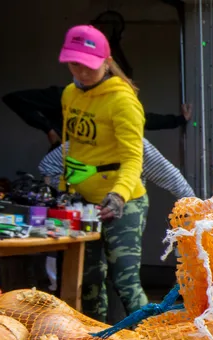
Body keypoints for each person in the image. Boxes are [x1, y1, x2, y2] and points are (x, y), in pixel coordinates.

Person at [57, 24, 149, 322]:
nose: (81, 73)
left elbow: (133, 158)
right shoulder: (70, 94)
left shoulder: (122, 101)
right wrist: (63, 187)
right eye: (74, 64)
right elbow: (71, 147)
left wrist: (118, 196)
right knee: (88, 282)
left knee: (125, 282)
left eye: (88, 66)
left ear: (106, 63)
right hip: (82, 202)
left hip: (124, 202)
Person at [3, 86, 191, 149]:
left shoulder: (115, 101)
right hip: (68, 162)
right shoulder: (66, 95)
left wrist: (179, 120)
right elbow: (14, 99)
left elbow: (144, 119)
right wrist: (48, 129)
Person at [38, 138, 194, 200]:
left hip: (127, 204)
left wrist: (194, 207)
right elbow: (47, 167)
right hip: (84, 207)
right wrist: (73, 191)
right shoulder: (83, 141)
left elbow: (169, 175)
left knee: (123, 265)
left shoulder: (134, 143)